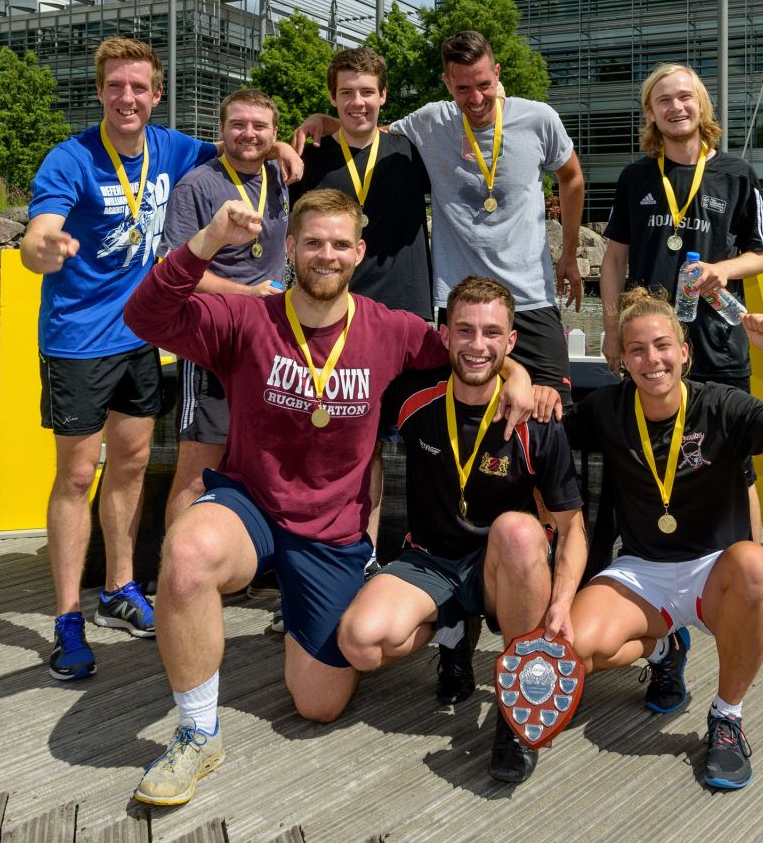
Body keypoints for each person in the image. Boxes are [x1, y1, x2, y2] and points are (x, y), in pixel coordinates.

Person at [122, 189, 536, 806]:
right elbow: (145, 316)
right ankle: (197, 732)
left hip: (331, 533)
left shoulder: (389, 328)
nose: (327, 255)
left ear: (359, 252)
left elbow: (469, 349)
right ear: (290, 248)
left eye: (340, 243)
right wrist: (207, 241)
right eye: (313, 242)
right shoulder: (246, 319)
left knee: (318, 704)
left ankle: (442, 618)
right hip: (252, 506)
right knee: (186, 553)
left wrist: (517, 373)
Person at [565, 287, 763, 791]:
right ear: (622, 360)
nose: (652, 360)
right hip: (643, 572)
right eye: (636, 350)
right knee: (573, 651)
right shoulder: (606, 408)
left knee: (756, 566)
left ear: (684, 351)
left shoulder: (722, 405)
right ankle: (663, 650)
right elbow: (542, 435)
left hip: (716, 572)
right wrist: (524, 384)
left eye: (662, 345)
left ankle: (727, 716)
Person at [20, 36, 220, 681]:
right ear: (100, 91)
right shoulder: (70, 158)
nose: (126, 97)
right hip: (78, 343)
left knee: (131, 465)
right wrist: (42, 248)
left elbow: (239, 147)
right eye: (114, 86)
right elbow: (38, 234)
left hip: (140, 339)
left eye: (138, 87)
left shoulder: (171, 147)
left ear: (156, 94)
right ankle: (67, 618)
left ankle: (119, 589)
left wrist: (292, 142)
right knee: (77, 476)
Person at [338, 276, 585, 785]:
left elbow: (572, 527)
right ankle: (454, 631)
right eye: (465, 330)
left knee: (519, 531)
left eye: (492, 333)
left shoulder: (537, 419)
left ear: (510, 341)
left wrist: (562, 603)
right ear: (444, 334)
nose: (477, 344)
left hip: (499, 569)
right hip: (429, 559)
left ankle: (515, 712)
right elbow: (358, 441)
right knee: (359, 641)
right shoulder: (412, 397)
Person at [297, 29, 586, 409]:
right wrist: (323, 120)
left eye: (484, 84)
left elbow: (572, 177)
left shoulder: (538, 118)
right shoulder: (430, 122)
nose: (476, 98)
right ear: (447, 83)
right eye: (463, 88)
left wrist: (568, 254)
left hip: (530, 297)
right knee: (465, 418)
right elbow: (368, 130)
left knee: (555, 411)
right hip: (459, 299)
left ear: (497, 73)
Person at [597, 62, 763, 639]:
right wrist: (610, 327)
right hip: (650, 348)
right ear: (651, 115)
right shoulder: (635, 177)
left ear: (701, 104)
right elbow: (614, 259)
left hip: (717, 344)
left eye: (684, 97)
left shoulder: (736, 174)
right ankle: (651, 577)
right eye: (663, 101)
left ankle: (756, 593)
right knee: (649, 457)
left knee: (737, 464)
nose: (676, 107)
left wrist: (723, 269)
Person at [291, 46, 434, 579]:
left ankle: (426, 558)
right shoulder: (311, 157)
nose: (358, 102)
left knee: (423, 440)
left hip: (407, 316)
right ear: (332, 98)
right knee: (352, 447)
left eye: (367, 92)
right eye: (346, 93)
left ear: (384, 96)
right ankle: (356, 557)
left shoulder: (410, 151)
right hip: (336, 316)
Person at [158, 89, 290, 529]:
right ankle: (174, 562)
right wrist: (247, 294)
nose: (248, 133)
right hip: (212, 342)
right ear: (222, 129)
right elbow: (177, 271)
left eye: (259, 126)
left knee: (263, 467)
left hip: (269, 344)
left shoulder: (280, 176)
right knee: (198, 471)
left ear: (274, 133)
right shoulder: (197, 185)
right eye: (238, 124)